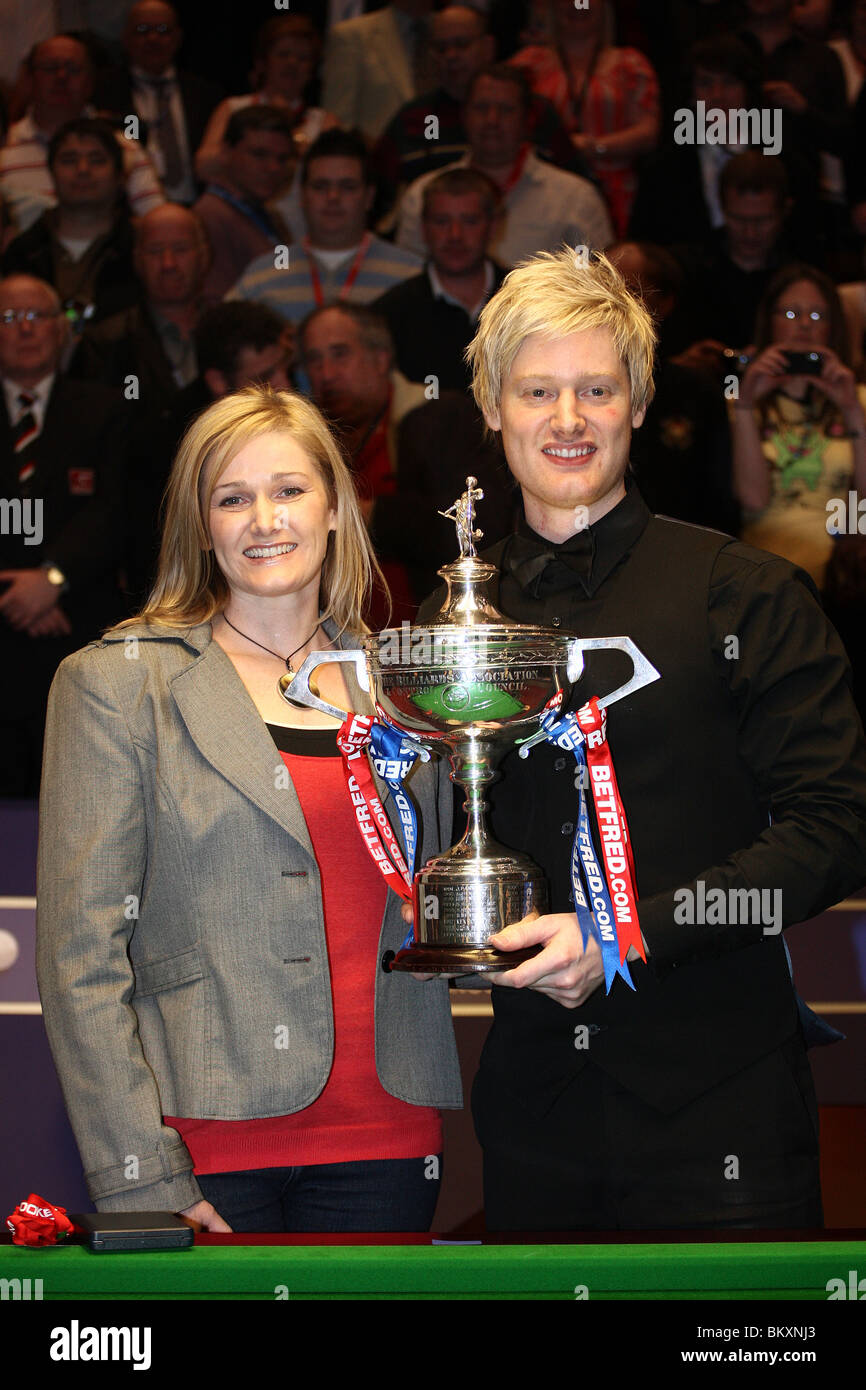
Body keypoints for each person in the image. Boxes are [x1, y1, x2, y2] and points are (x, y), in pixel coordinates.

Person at [415, 247, 866, 1230]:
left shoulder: (741, 593)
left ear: (636, 400)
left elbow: (834, 828)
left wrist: (626, 936)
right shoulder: (452, 625)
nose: (566, 420)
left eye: (595, 389)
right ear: (490, 407)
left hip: (724, 1106)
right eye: (536, 390)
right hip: (535, 1107)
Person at [35, 385, 462, 1231]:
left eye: (289, 490)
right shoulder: (118, 681)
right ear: (202, 524)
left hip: (386, 1139)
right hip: (198, 1149)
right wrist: (137, 1172)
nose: (264, 519)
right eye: (232, 497)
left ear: (337, 507)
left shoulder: (414, 687)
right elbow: (79, 956)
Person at [0, 274, 128, 797]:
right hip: (2, 643)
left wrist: (53, 578)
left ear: (63, 331)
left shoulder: (106, 409)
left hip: (80, 640)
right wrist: (17, 590)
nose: (25, 329)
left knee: (81, 804)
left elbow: (116, 511)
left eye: (38, 317)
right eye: (9, 318)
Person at [396, 65, 613, 267]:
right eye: (481, 108)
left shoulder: (576, 198)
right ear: (464, 115)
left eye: (506, 109)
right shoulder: (423, 193)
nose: (492, 119)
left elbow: (591, 281)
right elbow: (407, 274)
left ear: (528, 119)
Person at [732, 262, 866, 589]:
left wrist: (851, 409)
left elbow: (865, 506)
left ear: (834, 327)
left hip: (841, 576)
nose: (804, 325)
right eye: (791, 314)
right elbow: (753, 499)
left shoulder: (859, 398)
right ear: (770, 323)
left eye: (818, 316)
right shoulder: (739, 398)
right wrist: (747, 406)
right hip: (760, 573)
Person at [229, 129, 421, 325]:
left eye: (347, 187)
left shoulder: (411, 275)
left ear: (369, 197)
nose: (333, 198)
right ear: (302, 196)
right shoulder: (264, 273)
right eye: (320, 187)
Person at [509, 0, 661, 236]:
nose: (577, 5)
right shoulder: (527, 64)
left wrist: (594, 147)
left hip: (616, 192)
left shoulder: (630, 63)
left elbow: (648, 131)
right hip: (542, 187)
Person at [194, 13, 337, 244]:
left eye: (303, 58)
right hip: (238, 225)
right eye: (283, 54)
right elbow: (204, 166)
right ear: (263, 62)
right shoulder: (233, 108)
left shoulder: (324, 121)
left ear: (312, 68)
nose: (292, 63)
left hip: (299, 233)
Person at [0, 34, 164, 235]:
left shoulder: (124, 145)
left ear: (90, 81)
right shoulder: (4, 145)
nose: (61, 77)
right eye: (50, 68)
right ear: (30, 79)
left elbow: (157, 222)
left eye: (73, 69)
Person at [372, 168, 507, 393]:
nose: (455, 234)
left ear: (492, 227)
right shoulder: (389, 315)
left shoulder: (527, 302)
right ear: (424, 229)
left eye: (470, 221)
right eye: (441, 221)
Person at [2, 117, 138, 331]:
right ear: (51, 172)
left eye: (97, 160)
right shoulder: (22, 253)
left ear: (121, 176)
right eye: (68, 160)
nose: (83, 170)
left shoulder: (141, 249)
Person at [94, 0, 224, 206]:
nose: (153, 38)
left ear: (178, 38)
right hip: (130, 207)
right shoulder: (101, 91)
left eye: (163, 30)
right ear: (125, 38)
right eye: (142, 30)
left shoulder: (206, 95)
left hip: (197, 207)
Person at [192, 106, 294, 303]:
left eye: (282, 159)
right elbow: (218, 304)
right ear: (225, 152)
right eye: (259, 154)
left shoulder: (265, 214)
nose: (273, 168)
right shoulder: (210, 217)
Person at [322, 0, 436, 143]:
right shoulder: (353, 36)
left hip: (445, 152)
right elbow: (339, 121)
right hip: (378, 157)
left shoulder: (452, 31)